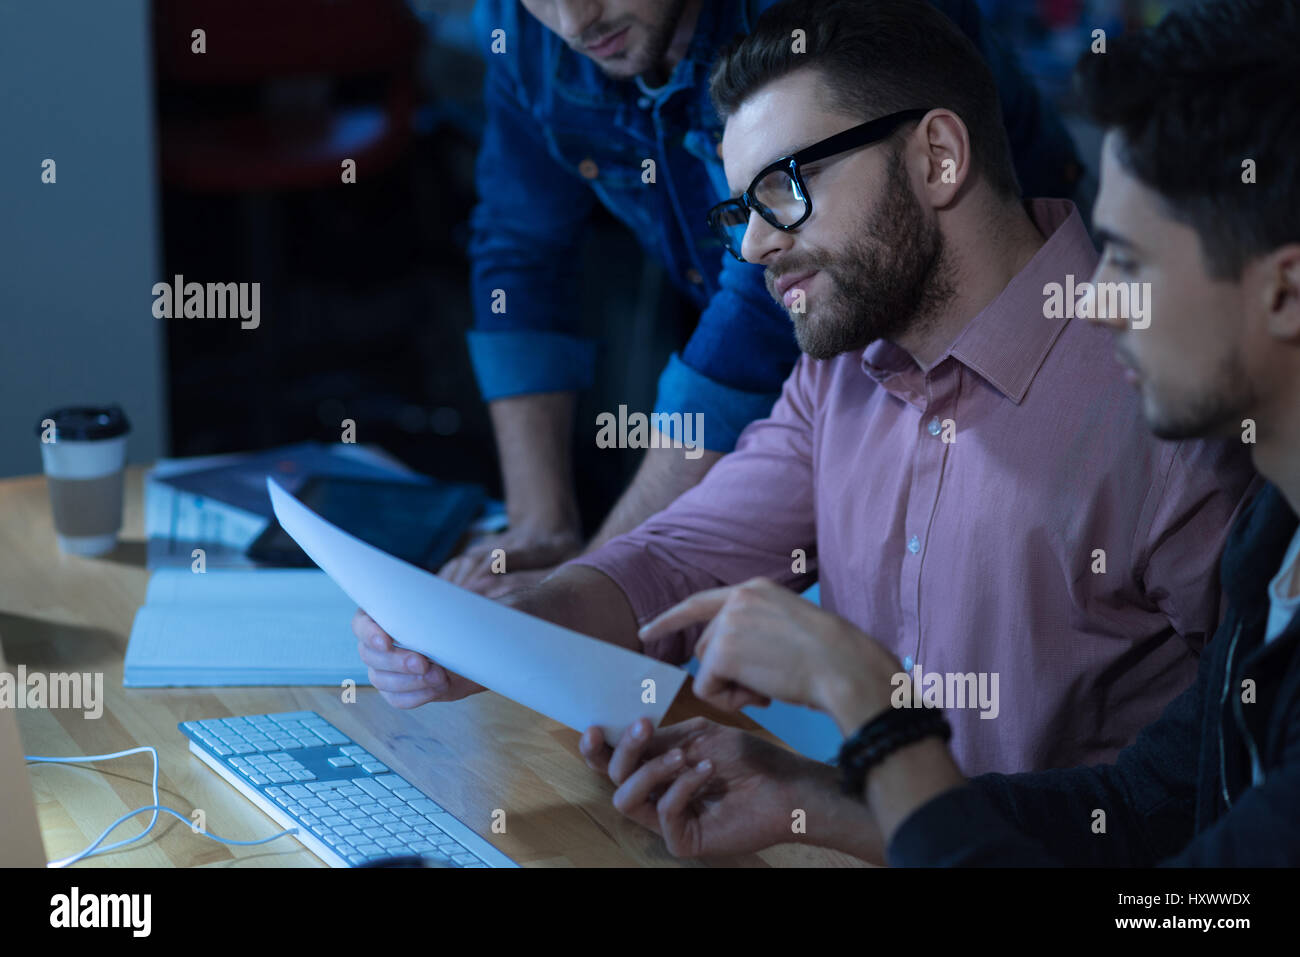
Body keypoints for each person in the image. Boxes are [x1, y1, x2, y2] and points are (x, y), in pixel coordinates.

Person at [356, 0, 1255, 784]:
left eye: (786, 187)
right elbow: (678, 558)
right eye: (737, 207)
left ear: (939, 157)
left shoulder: (1170, 397)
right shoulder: (838, 376)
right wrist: (498, 628)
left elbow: (1225, 798)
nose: (749, 250)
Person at [579, 0, 1300, 865]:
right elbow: (1150, 806)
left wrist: (872, 711)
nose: (1100, 302)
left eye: (1132, 262)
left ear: (939, 157)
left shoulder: (1190, 433)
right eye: (740, 213)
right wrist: (822, 799)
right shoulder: (1275, 545)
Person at [442, 0, 1085, 595]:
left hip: (995, 337)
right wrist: (541, 536)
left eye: (785, 187)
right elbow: (519, 250)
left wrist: (579, 584)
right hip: (833, 352)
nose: (575, 20)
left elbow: (757, 314)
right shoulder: (818, 394)